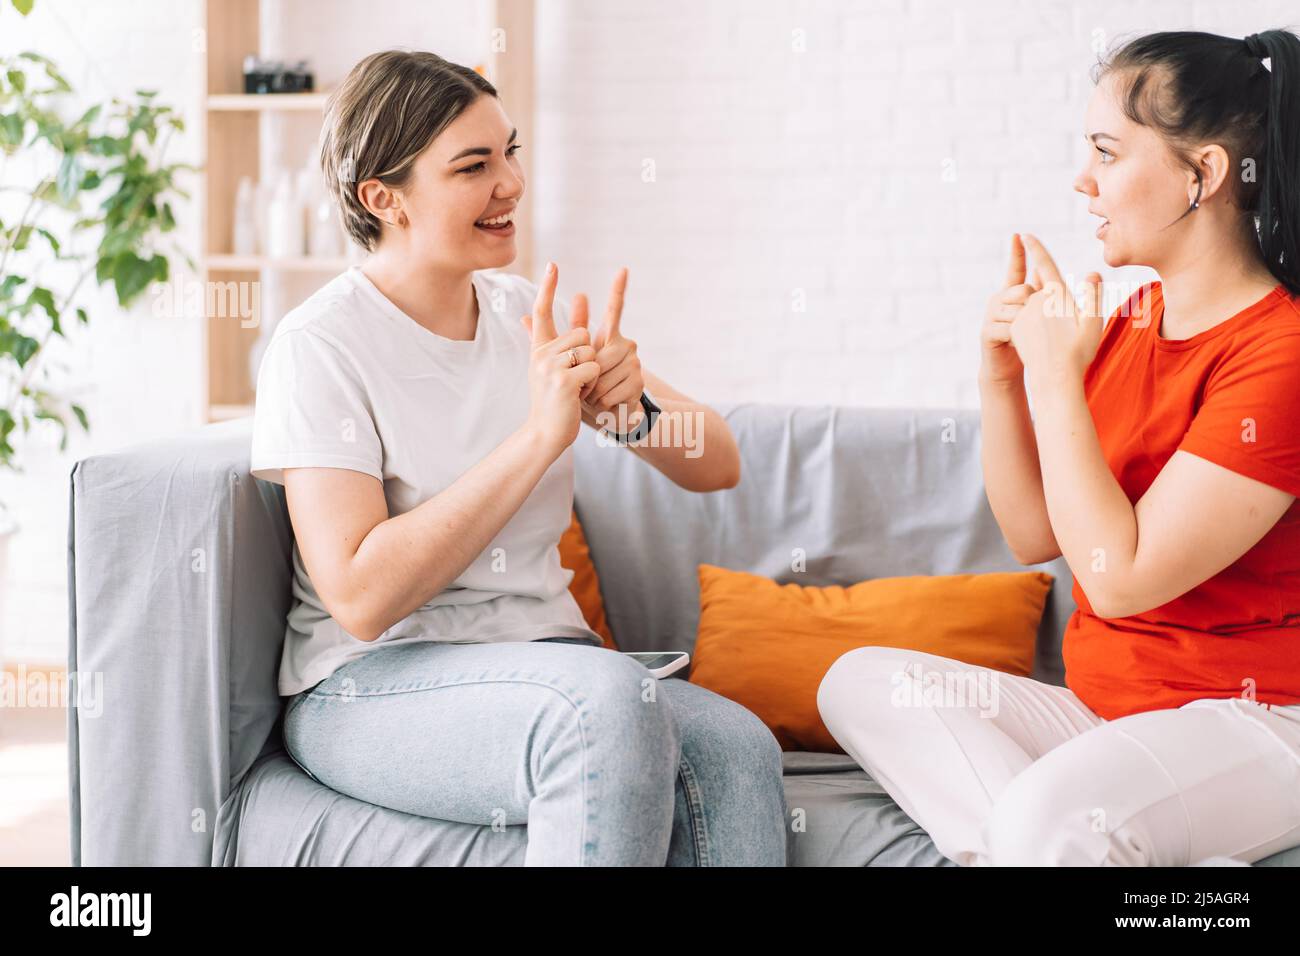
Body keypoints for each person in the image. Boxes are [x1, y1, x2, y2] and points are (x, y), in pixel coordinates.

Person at [249, 50, 787, 866]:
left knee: (738, 749)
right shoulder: (321, 345)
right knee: (604, 705)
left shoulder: (520, 314)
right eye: (474, 165)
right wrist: (540, 437)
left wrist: (632, 408)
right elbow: (360, 596)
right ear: (381, 197)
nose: (510, 183)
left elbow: (717, 464)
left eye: (511, 152)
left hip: (544, 661)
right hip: (370, 681)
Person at [818, 29, 1300, 866]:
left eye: (1108, 153)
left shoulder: (1281, 352)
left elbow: (1118, 580)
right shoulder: (1132, 322)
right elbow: (1034, 535)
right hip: (1105, 714)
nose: (1083, 180)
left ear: (1206, 174)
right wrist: (1002, 373)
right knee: (857, 680)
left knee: (1049, 818)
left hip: (1259, 717)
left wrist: (1053, 376)